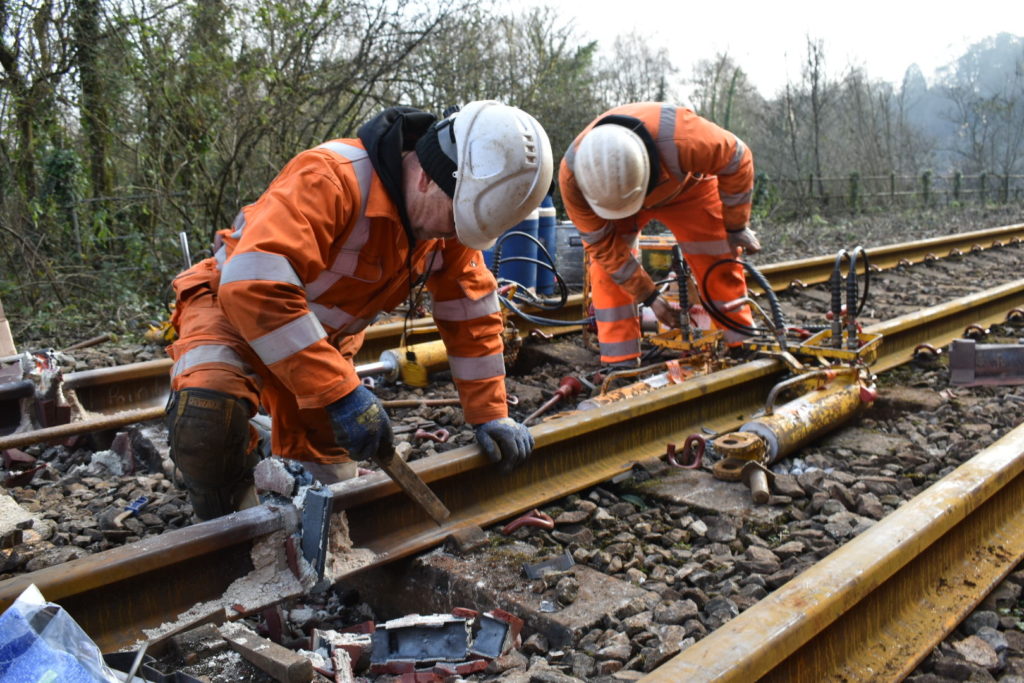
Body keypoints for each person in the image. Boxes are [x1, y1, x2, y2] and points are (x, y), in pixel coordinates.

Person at [164, 101, 553, 520]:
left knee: (330, 494)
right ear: (426, 176)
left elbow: (470, 314)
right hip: (230, 312)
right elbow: (254, 287)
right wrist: (340, 392)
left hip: (317, 343)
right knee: (207, 421)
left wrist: (491, 414)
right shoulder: (330, 178)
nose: (456, 234)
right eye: (457, 218)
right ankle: (226, 520)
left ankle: (263, 443)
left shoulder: (451, 219)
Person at [558, 102, 760, 366]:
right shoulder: (573, 181)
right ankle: (620, 362)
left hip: (688, 190)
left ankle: (742, 343)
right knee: (608, 270)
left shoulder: (685, 138)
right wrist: (650, 296)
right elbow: (605, 250)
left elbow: (738, 158)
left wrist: (736, 226)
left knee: (716, 254)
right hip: (610, 206)